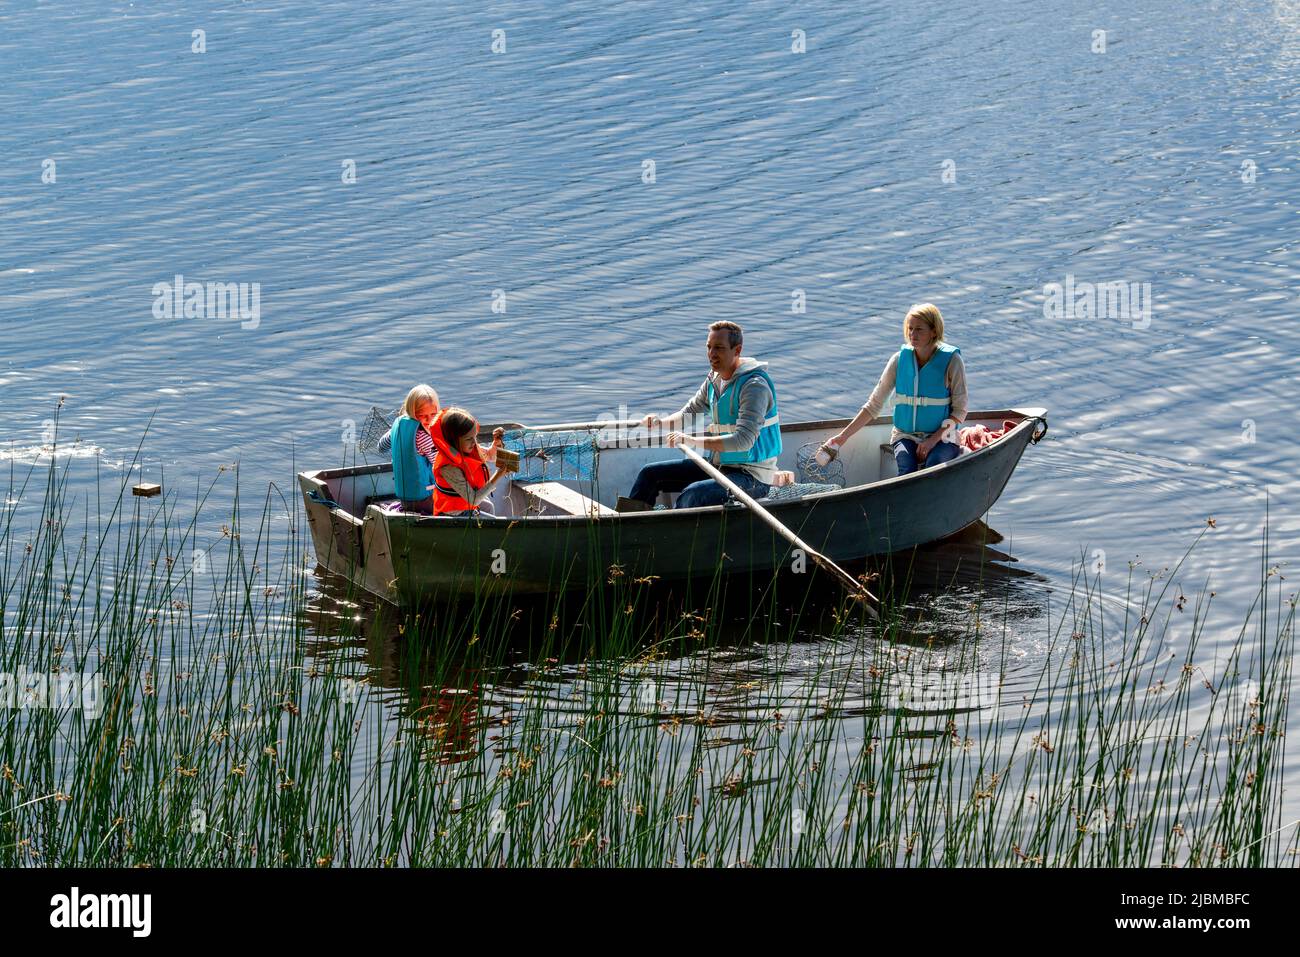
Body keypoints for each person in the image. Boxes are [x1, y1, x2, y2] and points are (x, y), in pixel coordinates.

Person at [623, 321, 782, 510]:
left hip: (752, 476)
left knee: (693, 494)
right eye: (709, 347)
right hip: (720, 466)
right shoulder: (714, 379)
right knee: (649, 475)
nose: (712, 354)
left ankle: (667, 534)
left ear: (737, 350)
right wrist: (658, 422)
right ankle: (627, 530)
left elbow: (743, 441)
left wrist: (691, 440)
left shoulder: (754, 387)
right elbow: (688, 415)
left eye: (719, 348)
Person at [821, 303, 967, 476]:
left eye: (919, 329)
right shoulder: (899, 360)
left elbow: (960, 411)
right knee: (907, 469)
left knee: (933, 465)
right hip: (905, 436)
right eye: (910, 328)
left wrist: (932, 441)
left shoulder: (953, 361)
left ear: (934, 331)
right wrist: (842, 437)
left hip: (944, 436)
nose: (913, 334)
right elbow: (874, 405)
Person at [429, 407, 507, 516]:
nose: (474, 442)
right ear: (454, 440)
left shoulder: (467, 447)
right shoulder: (449, 467)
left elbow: (490, 456)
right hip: (454, 514)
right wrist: (498, 475)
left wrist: (496, 444)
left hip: (467, 503)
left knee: (489, 507)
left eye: (475, 437)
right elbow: (474, 500)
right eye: (469, 439)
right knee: (491, 519)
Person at [382, 385, 440, 515]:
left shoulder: (398, 425)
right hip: (427, 498)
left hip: (406, 499)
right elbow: (439, 467)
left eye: (433, 414)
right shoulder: (424, 437)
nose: (429, 420)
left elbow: (381, 446)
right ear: (413, 413)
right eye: (423, 416)